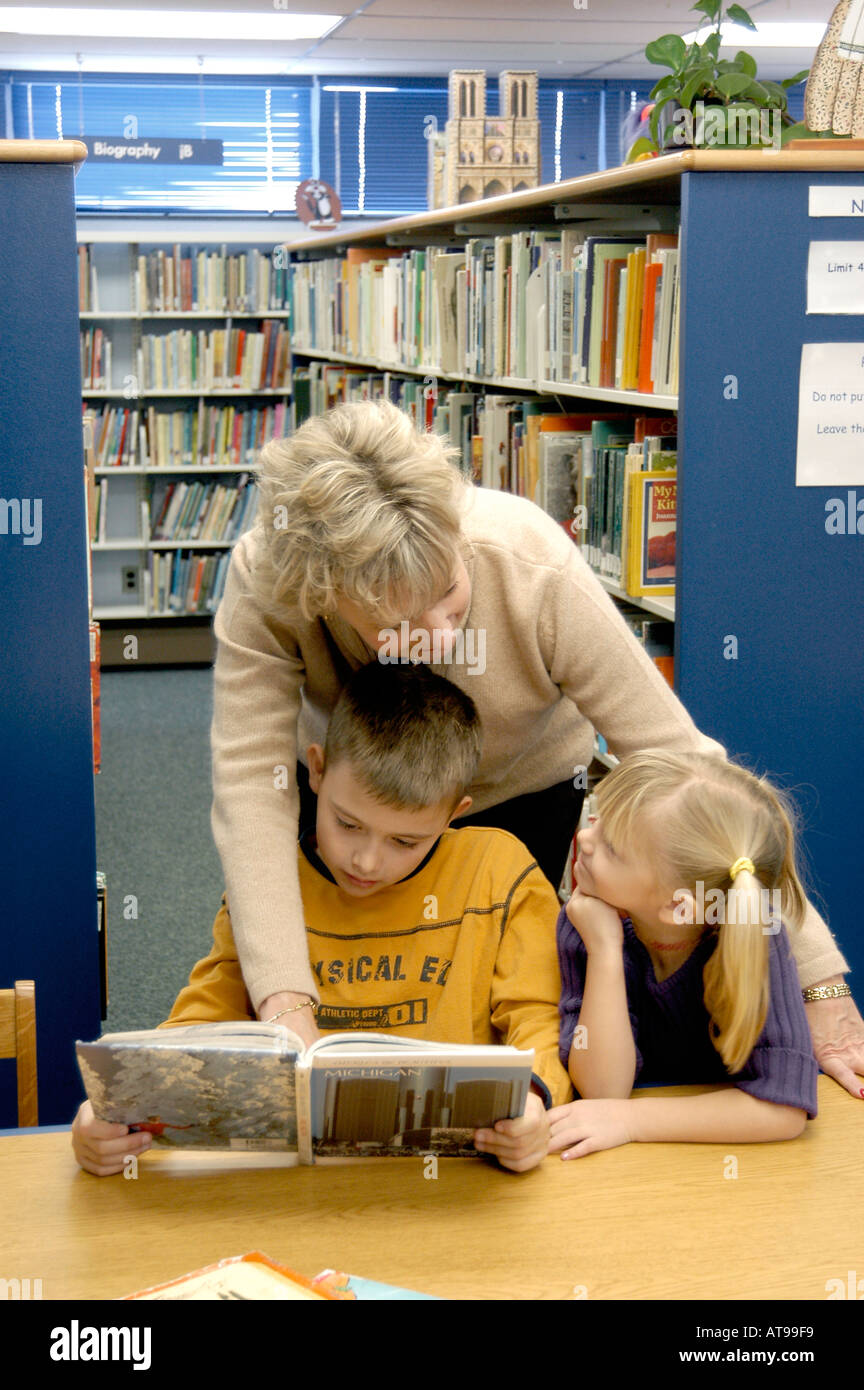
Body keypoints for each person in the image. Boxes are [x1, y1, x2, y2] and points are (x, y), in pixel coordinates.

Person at [207, 398, 863, 1099]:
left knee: (516, 997)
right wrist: (286, 1003)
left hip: (524, 795)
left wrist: (819, 982)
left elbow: (687, 768)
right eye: (400, 618)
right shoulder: (274, 577)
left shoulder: (527, 557)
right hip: (362, 796)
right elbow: (253, 786)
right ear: (328, 596)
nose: (442, 632)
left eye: (451, 593)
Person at [73, 663, 572, 1177]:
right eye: (348, 824)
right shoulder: (270, 886)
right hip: (301, 1183)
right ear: (316, 769)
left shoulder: (500, 874)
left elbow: (539, 1021)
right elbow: (201, 1021)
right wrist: (115, 1114)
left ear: (453, 813)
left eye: (405, 841)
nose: (367, 861)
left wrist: (535, 1104)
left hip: (455, 1179)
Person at [547, 749, 825, 1160]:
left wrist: (631, 1122)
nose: (585, 839)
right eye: (597, 820)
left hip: (731, 1170)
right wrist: (606, 951)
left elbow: (783, 1110)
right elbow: (602, 1090)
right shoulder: (588, 921)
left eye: (611, 848)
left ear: (679, 908)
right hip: (630, 1170)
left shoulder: (755, 934)